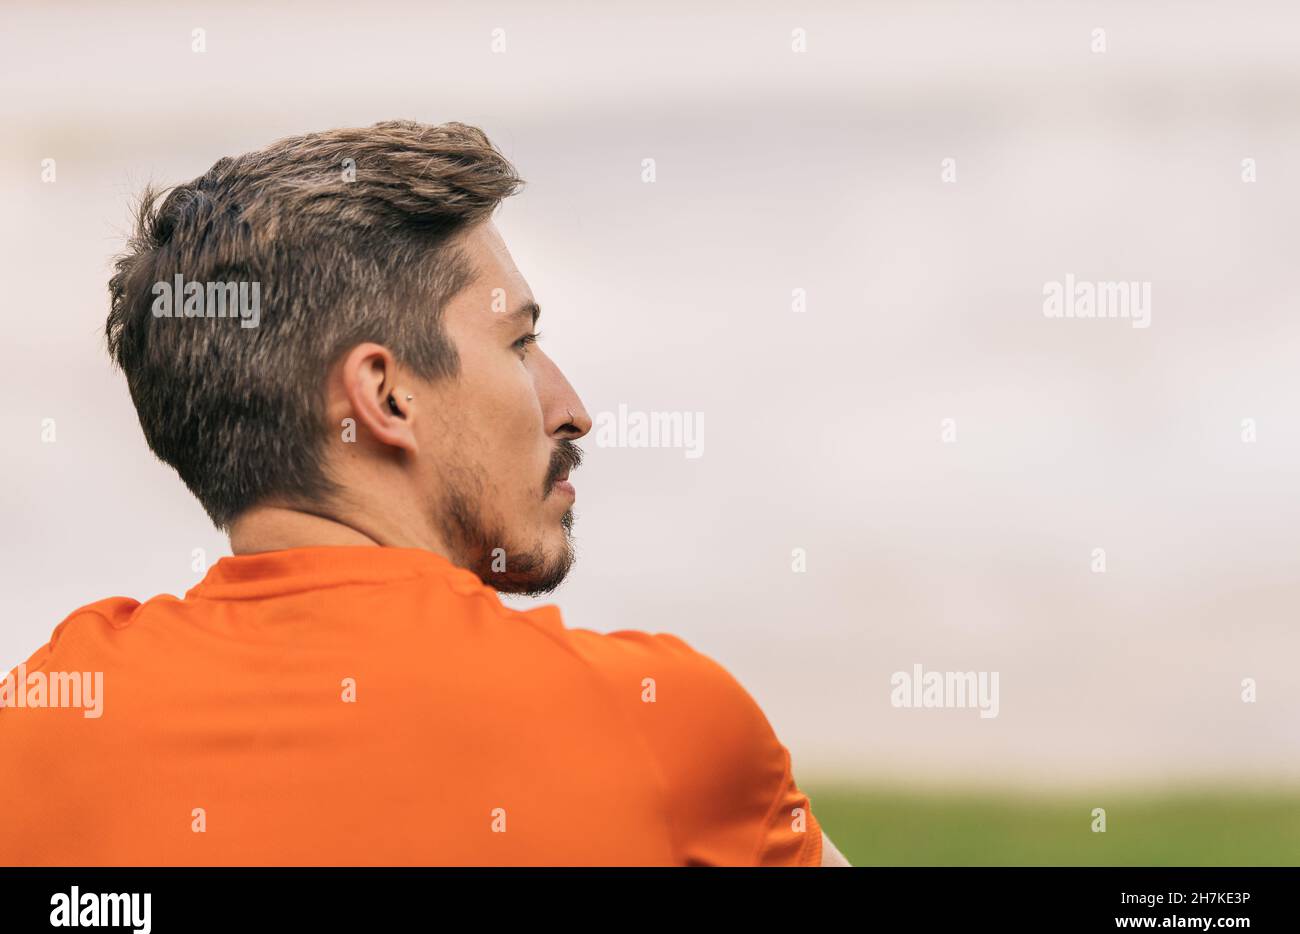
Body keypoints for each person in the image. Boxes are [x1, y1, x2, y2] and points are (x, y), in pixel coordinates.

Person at [0, 120, 849, 867]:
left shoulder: (35, 727)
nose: (573, 412)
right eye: (518, 343)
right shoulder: (664, 722)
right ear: (386, 395)